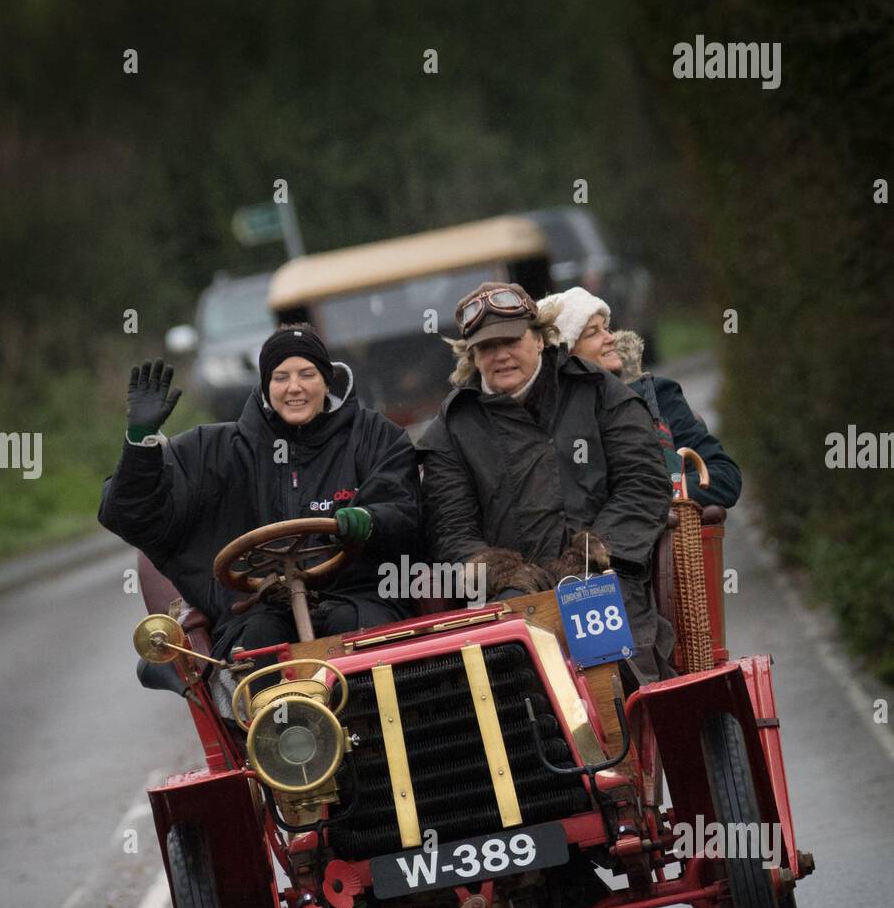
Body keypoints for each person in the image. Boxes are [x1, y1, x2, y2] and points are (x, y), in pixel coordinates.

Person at [99, 325, 421, 661]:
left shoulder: (376, 436)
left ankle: (377, 712)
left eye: (307, 374)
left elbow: (404, 510)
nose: (294, 387)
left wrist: (368, 521)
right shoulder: (216, 451)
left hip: (357, 597)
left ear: (327, 380)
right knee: (256, 642)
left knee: (360, 630)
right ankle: (279, 715)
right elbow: (129, 514)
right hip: (255, 609)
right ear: (266, 386)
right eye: (281, 377)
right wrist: (141, 443)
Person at [417, 282, 675, 683]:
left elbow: (643, 484)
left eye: (511, 340)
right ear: (472, 356)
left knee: (618, 685)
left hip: (603, 577)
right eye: (487, 347)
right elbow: (451, 533)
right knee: (511, 697)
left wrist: (588, 554)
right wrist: (505, 574)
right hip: (513, 594)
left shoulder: (598, 391)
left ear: (539, 339)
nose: (501, 355)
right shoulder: (449, 430)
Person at [541, 288, 742, 508]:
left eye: (606, 328)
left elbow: (724, 476)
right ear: (564, 354)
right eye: (592, 333)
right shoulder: (545, 419)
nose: (610, 338)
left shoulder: (655, 396)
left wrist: (658, 495)